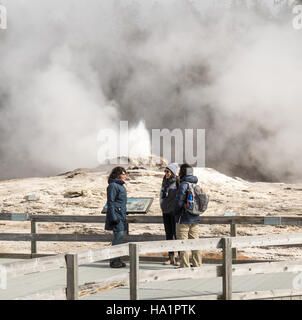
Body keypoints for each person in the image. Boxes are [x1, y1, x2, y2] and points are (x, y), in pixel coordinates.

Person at [174, 163, 202, 268]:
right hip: (195, 218)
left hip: (183, 219)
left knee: (183, 243)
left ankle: (184, 266)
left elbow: (179, 202)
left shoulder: (184, 184)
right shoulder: (196, 184)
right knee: (196, 243)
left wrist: (175, 212)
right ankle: (197, 264)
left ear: (182, 172)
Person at [105, 166, 127, 268]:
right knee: (119, 235)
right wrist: (113, 217)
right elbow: (111, 202)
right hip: (116, 215)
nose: (125, 176)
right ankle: (113, 260)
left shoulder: (121, 186)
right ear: (118, 174)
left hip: (121, 215)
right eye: (123, 174)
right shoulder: (113, 186)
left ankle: (117, 259)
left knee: (120, 236)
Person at [160, 163, 180, 266]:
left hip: (174, 212)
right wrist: (162, 206)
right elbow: (161, 195)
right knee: (168, 234)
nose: (166, 173)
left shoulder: (177, 181)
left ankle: (179, 258)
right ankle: (170, 257)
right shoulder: (164, 182)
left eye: (167, 171)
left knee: (176, 235)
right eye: (165, 171)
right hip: (166, 211)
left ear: (172, 172)